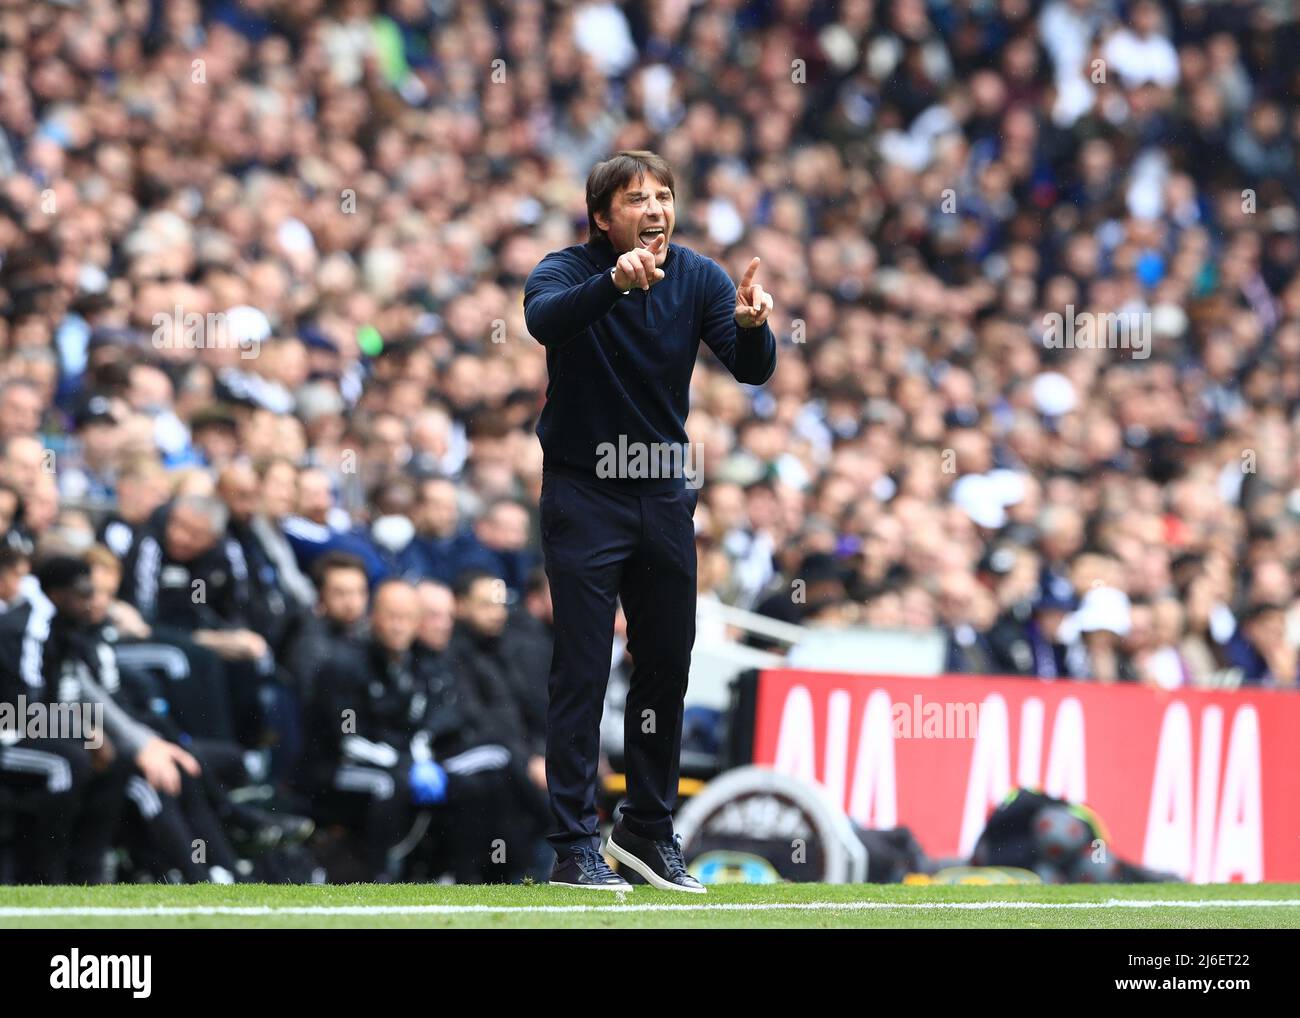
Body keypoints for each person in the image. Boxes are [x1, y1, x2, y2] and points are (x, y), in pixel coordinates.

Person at [523, 150, 775, 891]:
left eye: (663, 195)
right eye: (637, 198)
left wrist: (753, 327)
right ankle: (574, 845)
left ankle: (647, 830)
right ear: (602, 216)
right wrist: (612, 284)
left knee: (666, 664)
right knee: (582, 668)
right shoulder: (567, 270)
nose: (655, 209)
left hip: (662, 489)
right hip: (583, 491)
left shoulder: (698, 276)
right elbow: (544, 323)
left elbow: (751, 368)